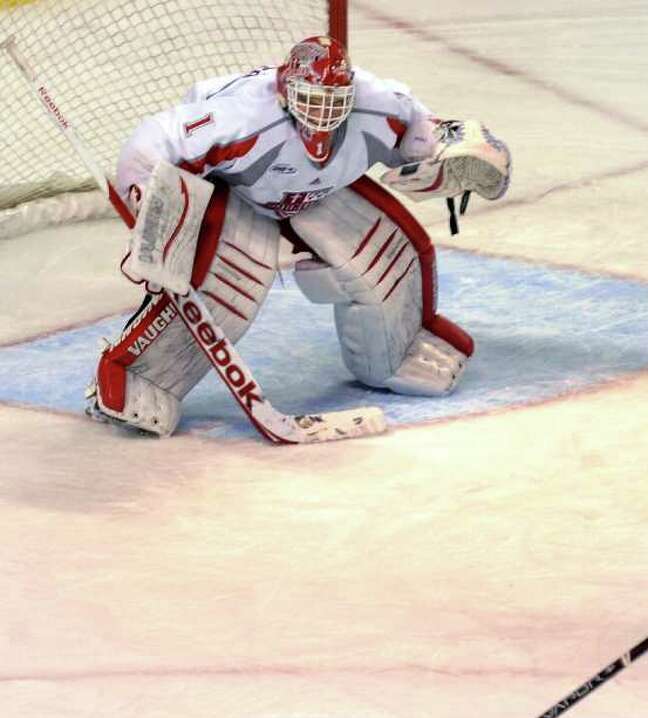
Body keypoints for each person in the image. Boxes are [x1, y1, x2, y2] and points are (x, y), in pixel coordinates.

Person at [86, 35, 511, 436]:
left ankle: (393, 353)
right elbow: (149, 145)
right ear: (285, 92)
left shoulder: (380, 104)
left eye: (334, 102)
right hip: (239, 191)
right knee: (231, 285)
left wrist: (454, 152)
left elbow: (429, 134)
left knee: (387, 255)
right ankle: (140, 375)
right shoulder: (242, 117)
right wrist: (150, 212)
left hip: (319, 190)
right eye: (311, 100)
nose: (323, 115)